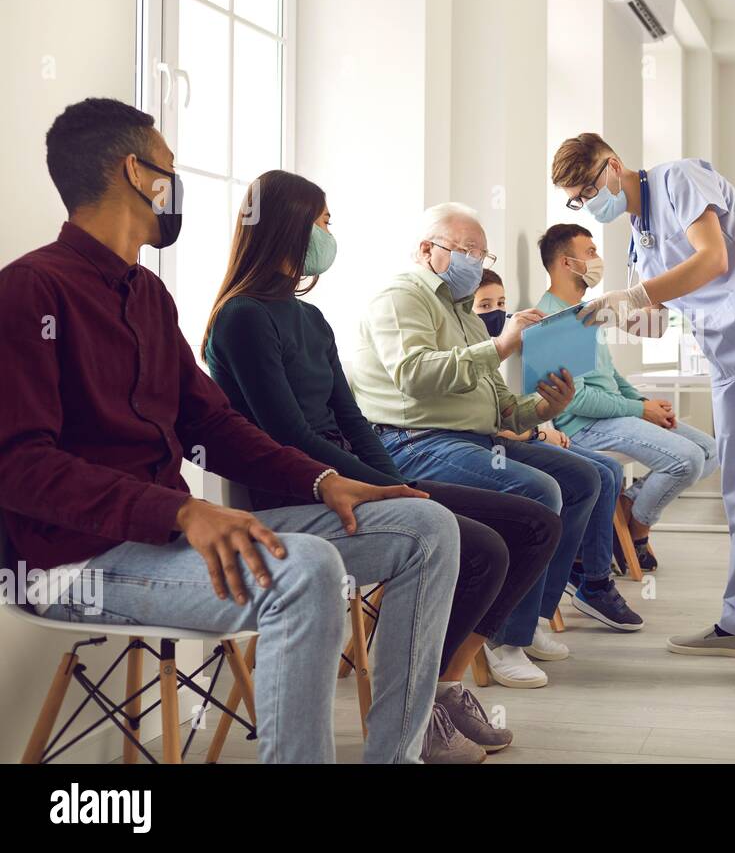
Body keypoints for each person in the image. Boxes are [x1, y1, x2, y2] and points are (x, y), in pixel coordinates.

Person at [0, 98, 460, 764]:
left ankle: (396, 757)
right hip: (72, 562)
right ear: (136, 172)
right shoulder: (29, 292)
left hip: (163, 539)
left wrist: (324, 479)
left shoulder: (149, 297)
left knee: (428, 530)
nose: (174, 184)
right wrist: (181, 510)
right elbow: (19, 467)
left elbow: (209, 423)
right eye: (169, 168)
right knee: (304, 573)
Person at [203, 170, 564, 759]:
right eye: (322, 222)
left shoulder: (311, 318)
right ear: (290, 227)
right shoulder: (242, 318)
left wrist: (393, 484)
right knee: (481, 545)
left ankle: (442, 688)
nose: (328, 234)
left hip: (355, 480)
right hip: (292, 495)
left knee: (532, 525)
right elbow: (287, 434)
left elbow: (349, 421)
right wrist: (386, 490)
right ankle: (413, 719)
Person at [551, 133, 735, 693]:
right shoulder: (640, 239)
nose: (589, 202)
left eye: (587, 188)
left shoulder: (679, 179)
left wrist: (631, 298)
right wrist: (599, 315)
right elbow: (661, 313)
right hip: (728, 354)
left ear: (613, 165)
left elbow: (713, 258)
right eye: (577, 199)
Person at [350, 203, 634, 689]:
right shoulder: (401, 297)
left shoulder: (461, 310)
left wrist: (544, 408)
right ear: (426, 250)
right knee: (541, 491)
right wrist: (502, 345)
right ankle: (504, 639)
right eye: (467, 251)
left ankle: (531, 619)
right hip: (412, 442)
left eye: (483, 254)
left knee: (583, 477)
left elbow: (502, 408)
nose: (477, 264)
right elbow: (416, 377)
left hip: (471, 439)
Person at [532, 224, 719, 571]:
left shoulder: (586, 311)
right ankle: (637, 530)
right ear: (564, 263)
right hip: (584, 427)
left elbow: (611, 375)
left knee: (710, 450)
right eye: (589, 253)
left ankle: (629, 506)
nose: (598, 260)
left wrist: (646, 404)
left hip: (616, 416)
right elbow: (576, 401)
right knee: (687, 460)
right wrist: (639, 409)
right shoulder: (551, 321)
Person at [472, 268, 644, 627]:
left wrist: (543, 422)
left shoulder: (511, 343)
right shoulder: (472, 354)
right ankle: (580, 580)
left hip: (527, 432)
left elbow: (513, 405)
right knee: (586, 477)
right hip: (498, 445)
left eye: (501, 303)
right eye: (484, 304)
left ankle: (587, 575)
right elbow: (486, 423)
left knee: (608, 471)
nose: (496, 311)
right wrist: (538, 434)